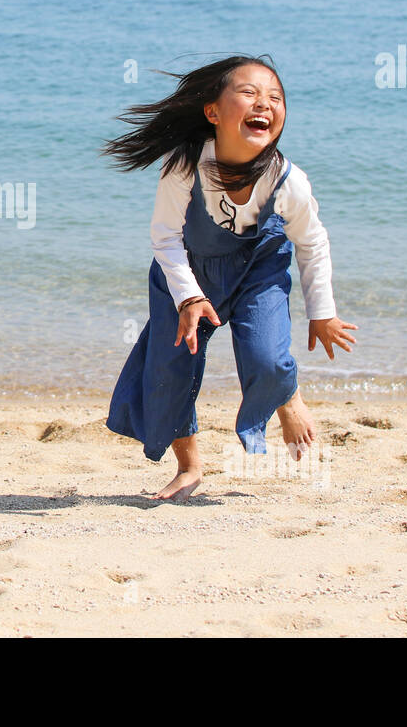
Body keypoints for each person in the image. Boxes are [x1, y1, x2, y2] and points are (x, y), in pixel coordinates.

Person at [104, 55, 356, 502]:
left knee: (267, 358)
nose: (265, 103)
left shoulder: (289, 181)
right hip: (184, 273)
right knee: (168, 371)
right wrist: (187, 299)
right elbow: (164, 237)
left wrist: (323, 313)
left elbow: (312, 243)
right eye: (250, 93)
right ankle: (189, 467)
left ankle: (287, 396)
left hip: (258, 270)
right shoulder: (184, 164)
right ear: (213, 112)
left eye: (275, 98)